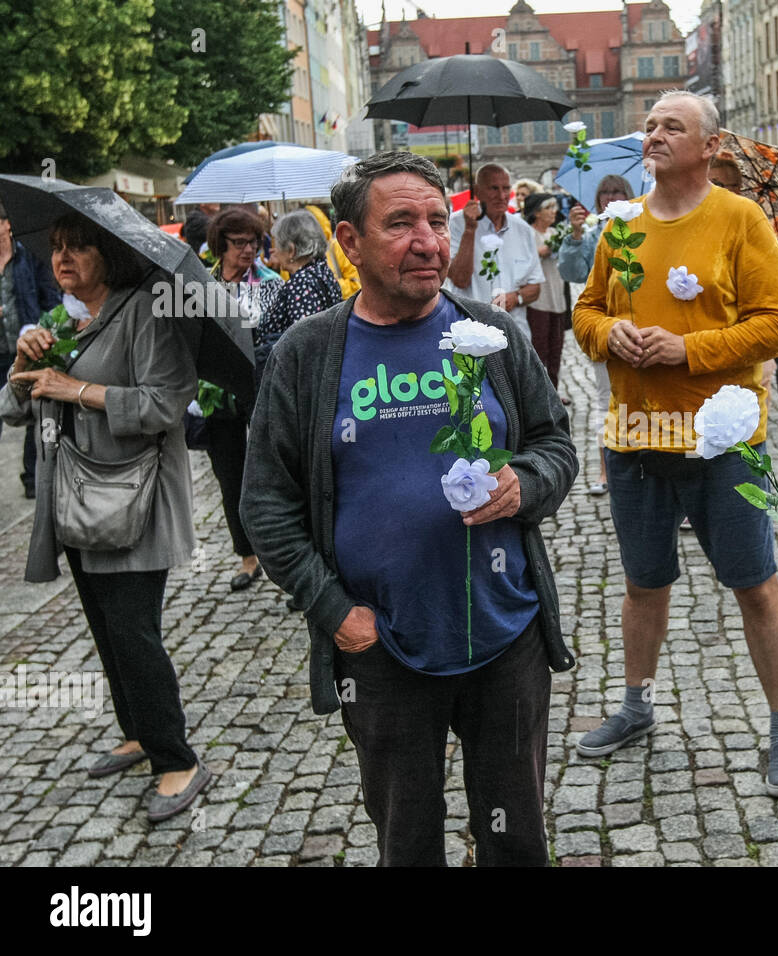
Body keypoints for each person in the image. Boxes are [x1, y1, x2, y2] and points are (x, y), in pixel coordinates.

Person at [239, 150, 578, 866]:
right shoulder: (307, 354)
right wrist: (334, 612)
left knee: (517, 839)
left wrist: (526, 482)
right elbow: (265, 504)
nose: (428, 240)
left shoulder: (490, 334)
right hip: (384, 646)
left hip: (503, 631)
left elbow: (554, 441)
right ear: (349, 241)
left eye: (436, 219)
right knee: (408, 839)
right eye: (400, 223)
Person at [571, 91, 778, 797]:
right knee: (644, 584)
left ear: (710, 146)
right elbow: (586, 310)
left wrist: (688, 349)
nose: (655, 134)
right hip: (637, 436)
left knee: (754, 584)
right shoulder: (620, 230)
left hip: (723, 441)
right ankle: (636, 706)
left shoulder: (740, 219)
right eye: (649, 125)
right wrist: (606, 332)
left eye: (672, 125)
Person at [1, 212, 210, 821]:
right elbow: (13, 410)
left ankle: (178, 758)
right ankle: (139, 732)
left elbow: (166, 402)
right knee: (106, 628)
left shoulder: (146, 310)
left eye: (79, 247)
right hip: (81, 499)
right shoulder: (61, 322)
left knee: (133, 631)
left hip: (134, 500)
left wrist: (76, 390)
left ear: (110, 255)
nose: (63, 260)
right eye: (57, 248)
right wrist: (22, 366)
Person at [206, 208, 282, 591]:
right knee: (229, 475)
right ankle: (247, 556)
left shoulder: (268, 282)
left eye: (254, 242)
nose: (249, 249)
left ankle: (281, 550)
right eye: (239, 243)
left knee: (270, 470)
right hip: (216, 396)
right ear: (221, 245)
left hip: (257, 388)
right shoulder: (202, 284)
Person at [710, 151, 778, 423]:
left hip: (768, 297)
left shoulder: (761, 216)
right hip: (727, 309)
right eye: (710, 183)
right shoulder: (705, 218)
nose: (713, 190)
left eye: (720, 184)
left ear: (738, 187)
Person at [557, 174, 634, 496]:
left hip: (641, 330)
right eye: (605, 191)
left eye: (618, 191)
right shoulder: (592, 234)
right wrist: (575, 233)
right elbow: (572, 272)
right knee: (607, 401)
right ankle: (606, 470)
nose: (610, 196)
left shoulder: (644, 230)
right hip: (606, 330)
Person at [0, 202, 61, 498]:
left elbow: (50, 297)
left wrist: (40, 330)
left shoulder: (28, 256)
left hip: (27, 348)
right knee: (4, 408)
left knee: (32, 409)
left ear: (6, 225)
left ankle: (33, 477)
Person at [447, 164, 543, 340]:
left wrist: (516, 297)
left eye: (506, 188)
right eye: (494, 188)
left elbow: (535, 287)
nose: (501, 196)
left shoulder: (522, 230)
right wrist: (470, 230)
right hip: (472, 335)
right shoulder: (457, 224)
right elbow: (460, 279)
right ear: (477, 191)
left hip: (515, 335)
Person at [261, 209, 343, 380]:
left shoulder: (303, 283)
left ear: (291, 250)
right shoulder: (321, 272)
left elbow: (305, 340)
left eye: (277, 245)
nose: (274, 251)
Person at [522, 192, 566, 391]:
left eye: (554, 207)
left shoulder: (554, 234)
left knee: (556, 348)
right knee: (539, 348)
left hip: (557, 295)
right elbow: (523, 263)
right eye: (549, 208)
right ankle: (540, 394)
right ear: (537, 212)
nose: (553, 212)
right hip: (538, 300)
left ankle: (554, 391)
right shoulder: (528, 233)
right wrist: (541, 252)